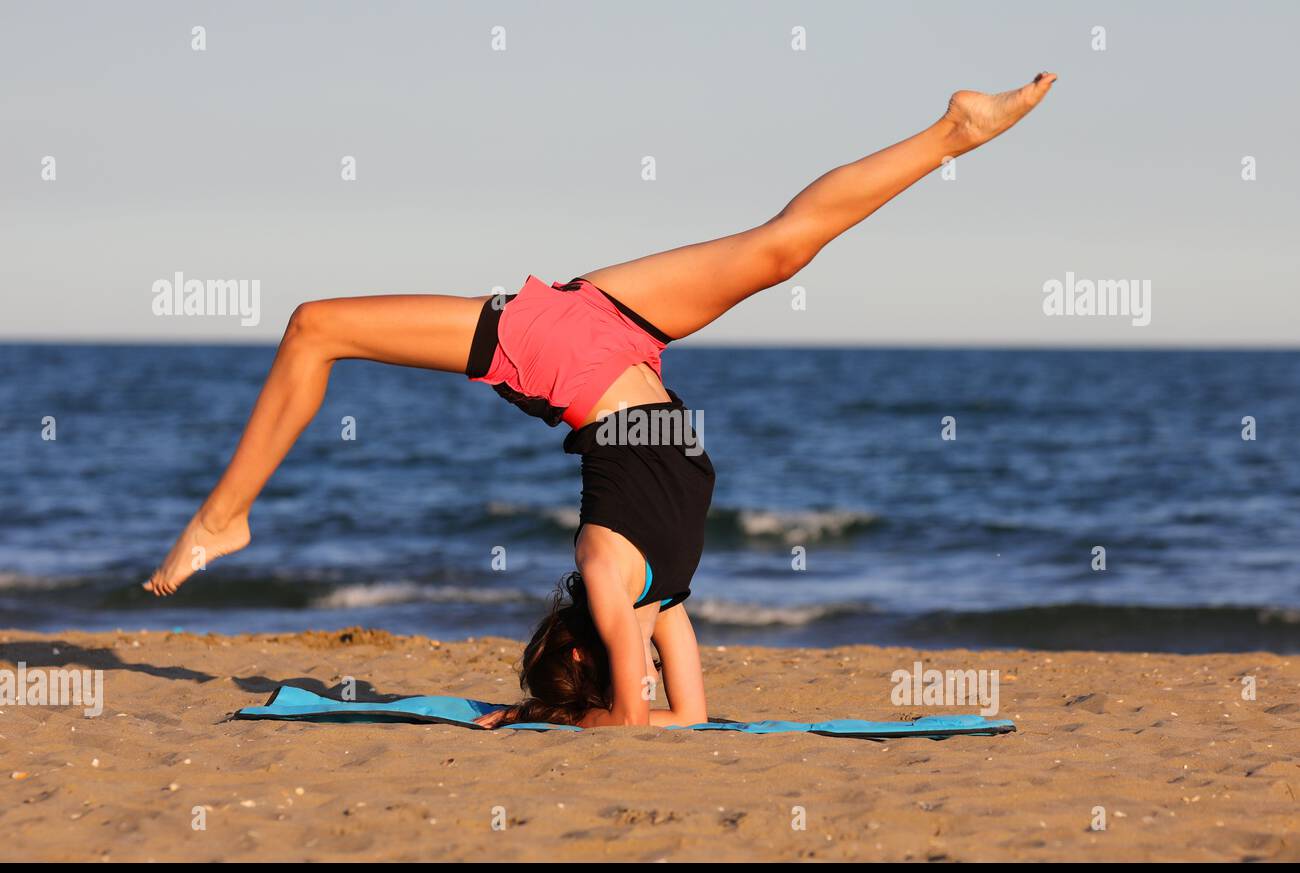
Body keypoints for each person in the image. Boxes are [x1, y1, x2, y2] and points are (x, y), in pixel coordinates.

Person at [144, 73, 1058, 727]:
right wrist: (604, 715)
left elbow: (661, 713)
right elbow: (670, 714)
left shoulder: (642, 591)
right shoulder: (639, 594)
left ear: (586, 651)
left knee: (315, 326)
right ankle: (949, 137)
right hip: (602, 350)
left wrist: (587, 719)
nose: (645, 684)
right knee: (780, 248)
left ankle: (226, 517)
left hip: (617, 386)